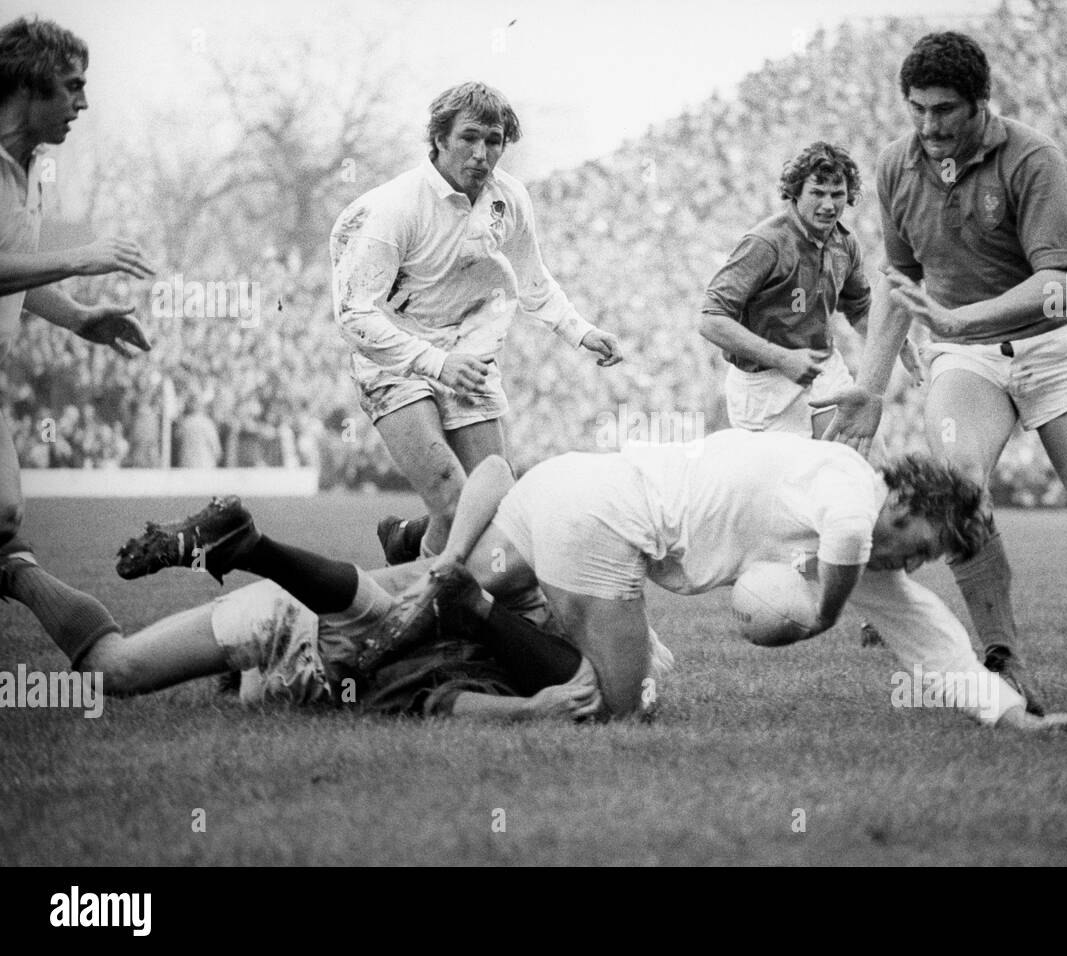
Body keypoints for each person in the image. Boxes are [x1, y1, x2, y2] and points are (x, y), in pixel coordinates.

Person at [814, 31, 1067, 716]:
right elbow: (899, 282)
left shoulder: (1034, 159)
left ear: (983, 103)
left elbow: (1059, 282)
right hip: (968, 359)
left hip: (1055, 350)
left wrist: (960, 320)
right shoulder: (898, 167)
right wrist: (871, 386)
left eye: (945, 110)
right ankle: (1001, 660)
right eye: (917, 109)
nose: (929, 126)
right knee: (958, 492)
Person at [401, 428, 1067, 732]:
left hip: (570, 483)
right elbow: (845, 537)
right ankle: (462, 703)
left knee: (427, 603)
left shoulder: (860, 543)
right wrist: (826, 615)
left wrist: (1021, 720)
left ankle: (344, 636)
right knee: (627, 710)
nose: (911, 566)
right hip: (601, 521)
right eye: (921, 547)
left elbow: (933, 643)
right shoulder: (848, 487)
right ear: (903, 503)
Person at [329, 81, 623, 561]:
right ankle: (419, 614)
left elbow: (533, 280)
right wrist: (438, 364)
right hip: (394, 357)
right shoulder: (394, 208)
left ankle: (409, 542)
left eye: (494, 140)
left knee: (497, 509)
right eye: (469, 138)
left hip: (469, 353)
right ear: (440, 139)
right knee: (451, 497)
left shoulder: (509, 200)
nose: (482, 153)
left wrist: (581, 332)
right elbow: (355, 315)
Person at [24, 496, 613, 722]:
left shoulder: (503, 582)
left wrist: (429, 548)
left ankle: (16, 564)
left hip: (293, 611)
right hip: (306, 634)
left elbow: (494, 471)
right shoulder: (494, 619)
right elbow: (445, 704)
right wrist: (536, 709)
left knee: (122, 669)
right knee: (113, 671)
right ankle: (17, 566)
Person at [0, 16, 155, 661]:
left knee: (4, 519)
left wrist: (80, 318)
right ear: (29, 88)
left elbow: (13, 271)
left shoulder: (29, 167)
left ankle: (79, 634)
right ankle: (95, 649)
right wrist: (78, 257)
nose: (83, 104)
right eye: (72, 87)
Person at [699, 141, 919, 438]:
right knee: (787, 480)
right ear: (796, 194)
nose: (829, 205)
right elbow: (711, 320)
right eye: (817, 193)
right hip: (762, 385)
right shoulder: (765, 244)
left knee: (854, 459)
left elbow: (860, 309)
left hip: (820, 366)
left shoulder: (845, 242)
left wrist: (898, 343)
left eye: (837, 194)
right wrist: (782, 358)